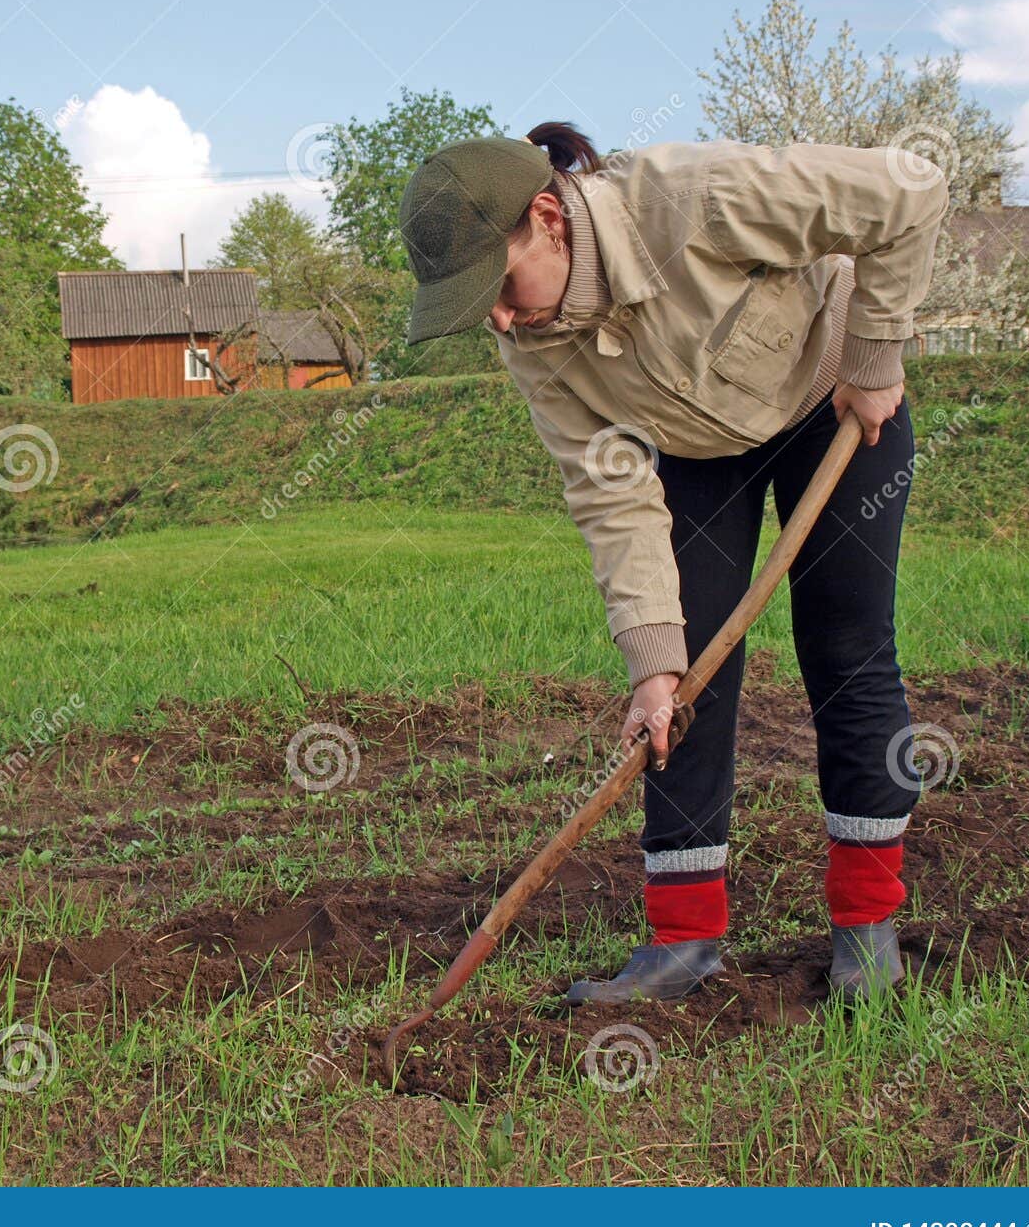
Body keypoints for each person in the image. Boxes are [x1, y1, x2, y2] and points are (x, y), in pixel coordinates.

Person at [395, 121, 945, 1002]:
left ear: (549, 216)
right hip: (695, 451)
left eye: (497, 286)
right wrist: (653, 664)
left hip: (837, 403)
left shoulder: (695, 200)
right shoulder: (531, 337)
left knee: (847, 651)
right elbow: (608, 489)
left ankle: (866, 928)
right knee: (683, 692)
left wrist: (876, 353)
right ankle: (682, 942)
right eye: (476, 309)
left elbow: (907, 190)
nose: (497, 318)